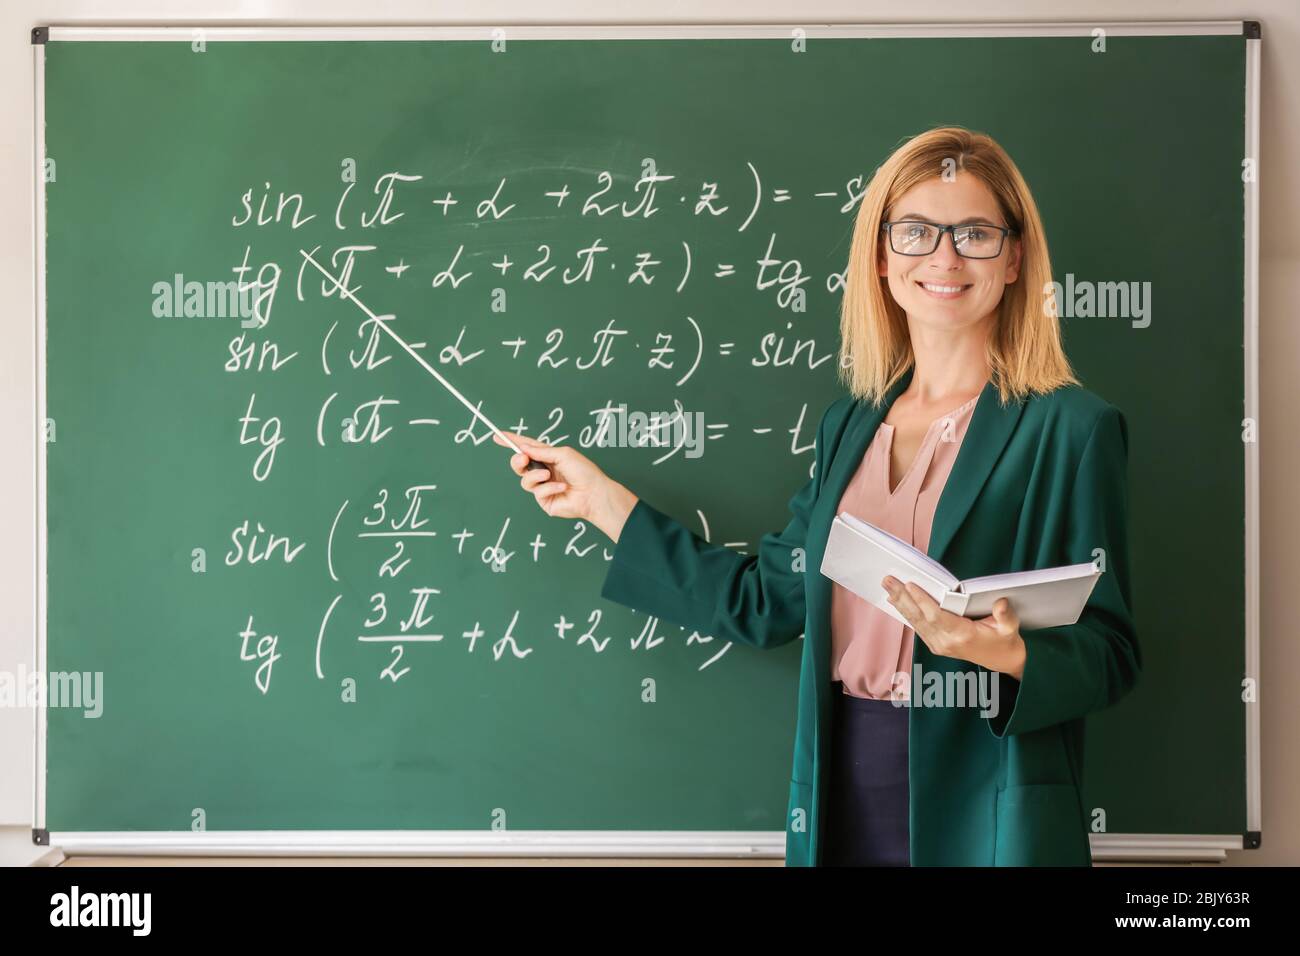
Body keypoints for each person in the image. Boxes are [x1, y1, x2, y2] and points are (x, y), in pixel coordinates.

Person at [494, 126, 1140, 866]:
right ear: (881, 256)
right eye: (917, 232)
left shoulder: (1071, 427)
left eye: (975, 234)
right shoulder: (850, 426)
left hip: (987, 799)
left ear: (1016, 257)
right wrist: (603, 504)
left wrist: (1009, 652)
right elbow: (766, 603)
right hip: (841, 790)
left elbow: (1111, 653)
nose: (945, 257)